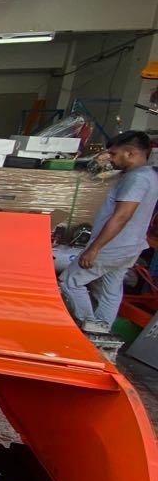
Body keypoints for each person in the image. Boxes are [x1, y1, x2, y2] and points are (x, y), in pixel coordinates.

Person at [59, 130, 158, 334]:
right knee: (109, 291)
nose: (111, 159)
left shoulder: (136, 179)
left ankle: (91, 327)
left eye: (114, 154)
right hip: (131, 246)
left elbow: (122, 216)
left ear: (130, 153)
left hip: (113, 245)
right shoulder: (149, 176)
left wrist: (94, 249)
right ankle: (102, 333)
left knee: (70, 281)